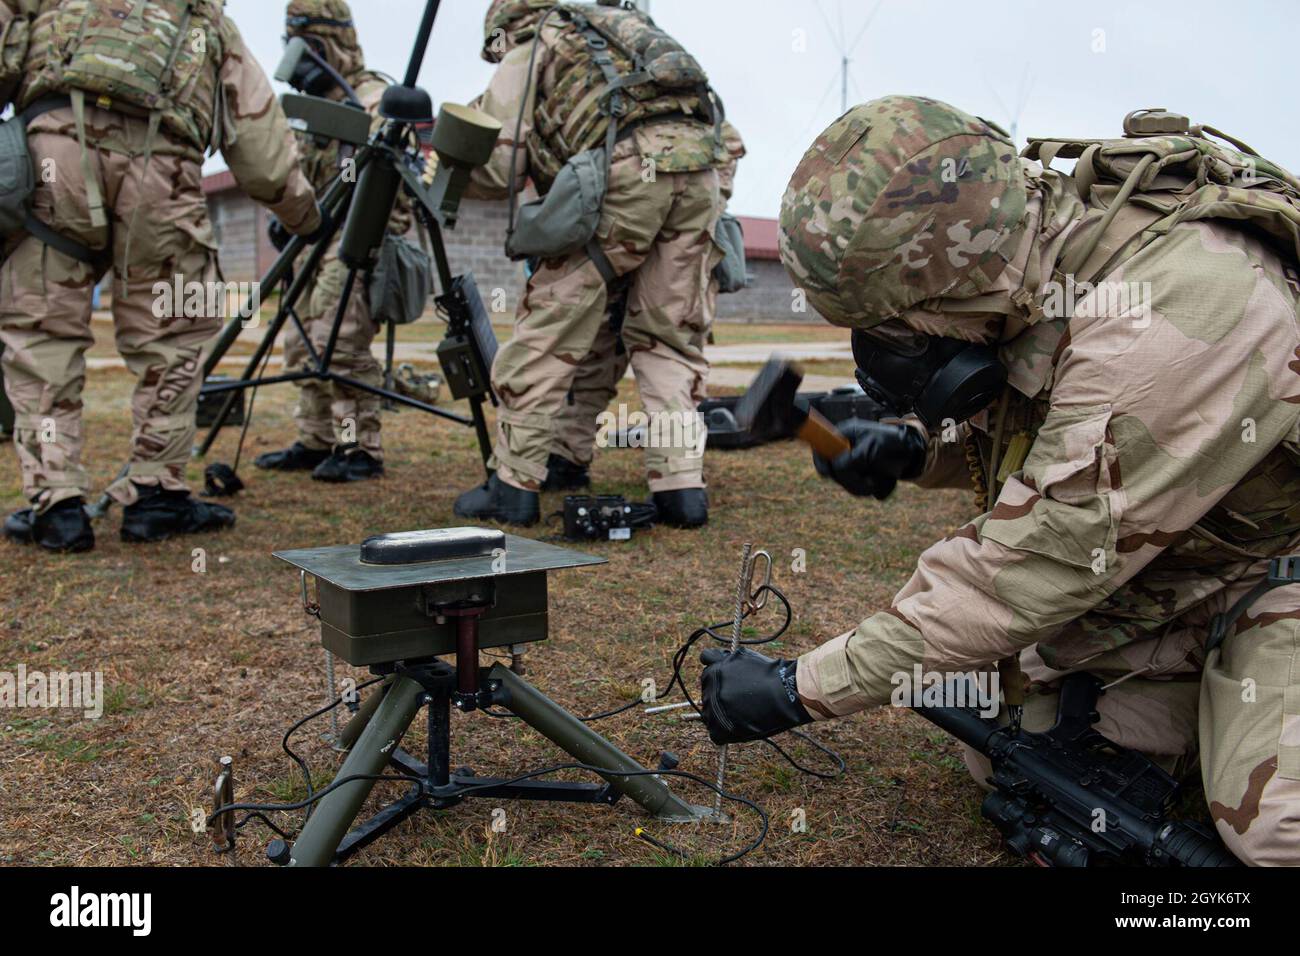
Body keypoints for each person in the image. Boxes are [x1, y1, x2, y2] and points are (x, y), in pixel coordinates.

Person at [699, 96, 1300, 866]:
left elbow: (1028, 571)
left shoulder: (1176, 312)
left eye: (901, 332)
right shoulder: (1036, 256)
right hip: (1180, 561)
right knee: (1017, 747)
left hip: (1274, 564)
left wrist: (797, 686)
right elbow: (1048, 413)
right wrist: (915, 451)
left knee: (1274, 832)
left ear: (955, 285)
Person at [0, 0, 325, 552]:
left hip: (52, 160)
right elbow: (262, 149)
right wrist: (305, 218)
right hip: (163, 173)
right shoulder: (207, 21)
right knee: (173, 340)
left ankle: (57, 506)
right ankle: (155, 496)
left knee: (42, 337)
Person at [453, 0, 729, 527]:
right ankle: (681, 490)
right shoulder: (618, 30)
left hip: (625, 169)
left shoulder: (535, 38)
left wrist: (445, 169)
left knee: (551, 327)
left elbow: (500, 161)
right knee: (668, 336)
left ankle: (513, 486)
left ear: (502, 26)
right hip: (699, 172)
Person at [544, 120, 746, 493]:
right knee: (610, 352)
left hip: (662, 244)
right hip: (641, 239)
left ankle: (672, 480)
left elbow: (727, 158)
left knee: (661, 352)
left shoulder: (675, 115)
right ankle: (674, 484)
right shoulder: (679, 114)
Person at [254, 0, 406, 484]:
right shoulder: (309, 106)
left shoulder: (370, 97)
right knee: (300, 344)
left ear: (329, 46)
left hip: (357, 240)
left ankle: (357, 445)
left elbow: (393, 175)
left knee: (338, 344)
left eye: (306, 46)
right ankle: (317, 437)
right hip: (310, 240)